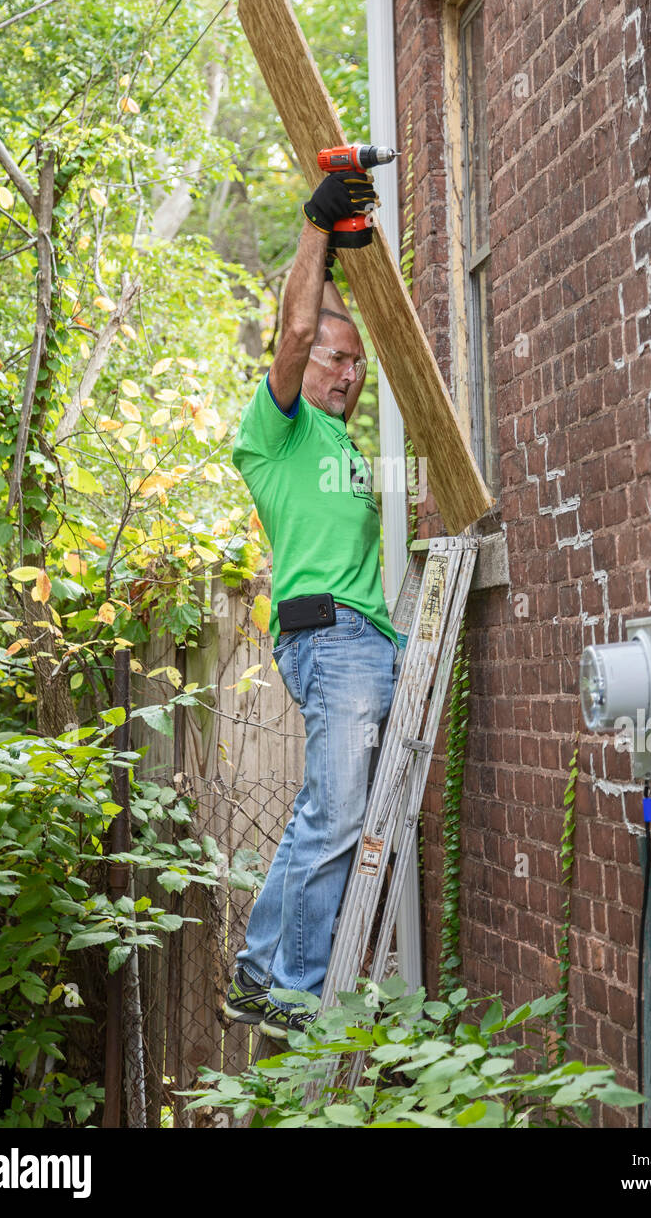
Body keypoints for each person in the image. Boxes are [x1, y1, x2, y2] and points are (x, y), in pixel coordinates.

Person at [225, 170, 401, 1039]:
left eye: (360, 363)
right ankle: (295, 991)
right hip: (332, 641)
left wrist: (341, 246)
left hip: (362, 640)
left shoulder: (341, 444)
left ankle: (261, 973)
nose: (352, 373)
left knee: (321, 815)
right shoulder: (279, 430)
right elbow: (297, 325)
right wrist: (314, 225)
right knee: (335, 815)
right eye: (340, 357)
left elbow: (318, 318)